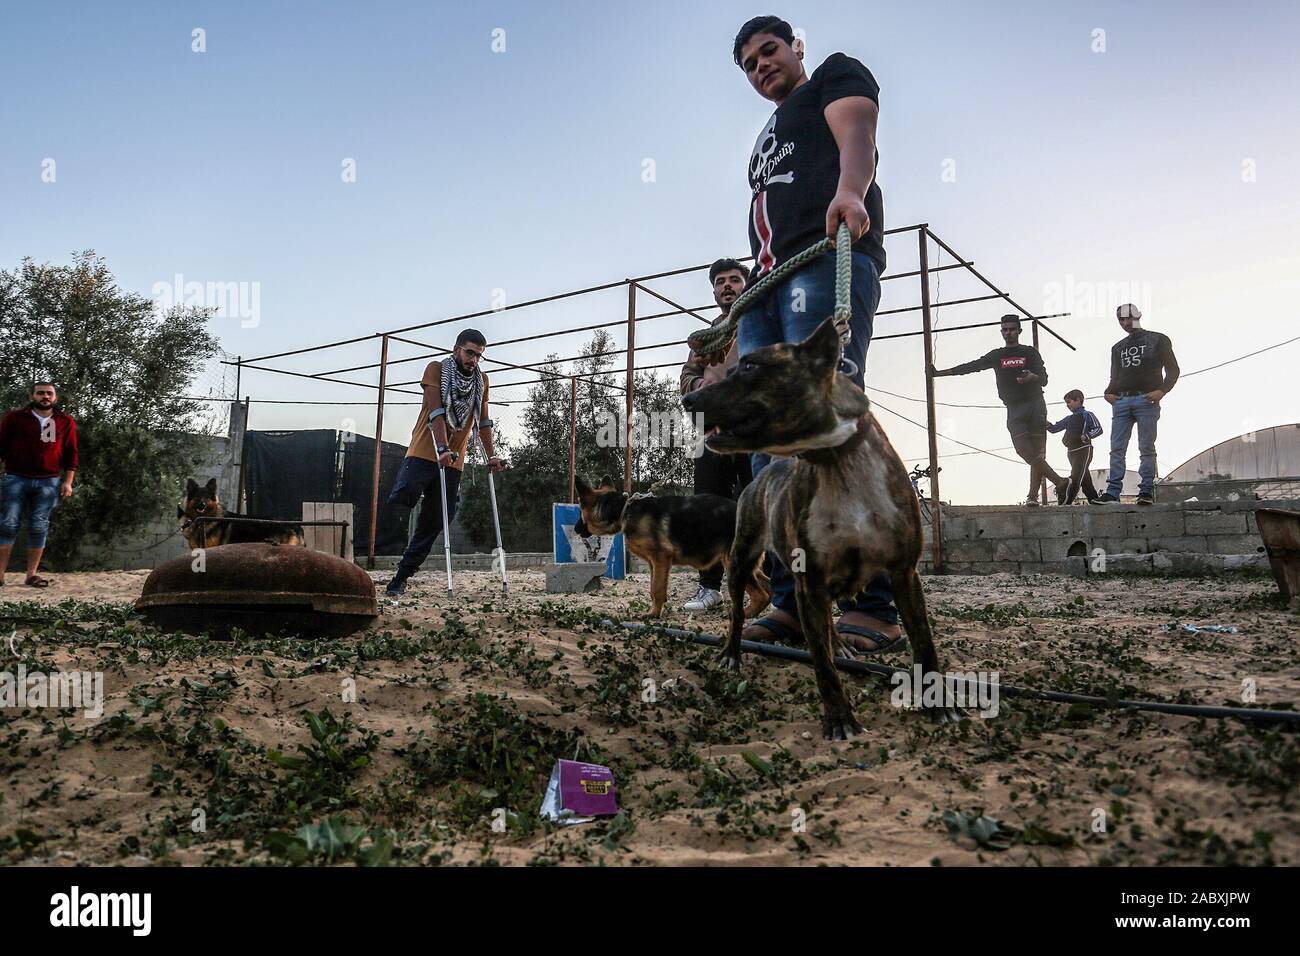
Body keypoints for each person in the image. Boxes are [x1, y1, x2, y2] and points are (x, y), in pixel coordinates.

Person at [729, 15, 902, 653]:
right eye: (748, 64)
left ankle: (873, 603)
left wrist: (852, 191)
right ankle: (793, 601)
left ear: (795, 48)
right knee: (767, 442)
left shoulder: (832, 74)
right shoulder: (767, 134)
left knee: (829, 420)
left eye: (768, 51)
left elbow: (859, 130)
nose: (760, 66)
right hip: (767, 289)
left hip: (825, 259)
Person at [384, 330, 505, 596]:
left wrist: (491, 454)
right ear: (457, 349)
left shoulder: (481, 381)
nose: (474, 360)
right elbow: (437, 410)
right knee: (403, 496)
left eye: (479, 355)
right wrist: (441, 446)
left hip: (453, 461)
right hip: (424, 451)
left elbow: (482, 420)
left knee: (438, 518)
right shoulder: (436, 369)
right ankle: (377, 547)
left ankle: (401, 576)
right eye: (470, 352)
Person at [678, 258, 755, 612]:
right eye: (720, 281)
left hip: (753, 430)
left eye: (734, 280)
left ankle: (775, 590)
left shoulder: (758, 318)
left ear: (745, 285)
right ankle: (709, 589)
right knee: (707, 508)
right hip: (712, 432)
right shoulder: (708, 333)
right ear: (713, 291)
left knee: (759, 508)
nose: (727, 285)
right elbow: (686, 378)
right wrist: (701, 383)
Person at [931, 314, 1069, 506]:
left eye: (1012, 329)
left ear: (1019, 331)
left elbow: (1044, 378)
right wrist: (939, 373)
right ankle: (1060, 482)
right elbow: (973, 366)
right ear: (1001, 332)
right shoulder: (997, 355)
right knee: (1024, 450)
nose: (1008, 333)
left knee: (1038, 454)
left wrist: (1032, 377)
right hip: (1013, 408)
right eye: (1005, 329)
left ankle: (1032, 496)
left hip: (1035, 404)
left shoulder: (1030, 353)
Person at [1094, 304, 1179, 506]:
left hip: (1146, 399)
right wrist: (1109, 392)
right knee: (1117, 448)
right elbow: (1115, 376)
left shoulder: (1158, 339)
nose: (1125, 323)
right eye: (1121, 320)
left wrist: (1162, 391)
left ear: (1138, 316)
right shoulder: (1117, 347)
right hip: (1121, 401)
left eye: (1129, 318)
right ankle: (1113, 493)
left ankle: (1146, 491)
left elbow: (1173, 369)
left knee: (1146, 447)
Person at [0, 382, 78, 588]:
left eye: (49, 393)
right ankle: (0, 574)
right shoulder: (15, 418)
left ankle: (31, 575)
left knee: (39, 525)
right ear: (32, 395)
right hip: (16, 477)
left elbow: (71, 453)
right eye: (41, 393)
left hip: (49, 481)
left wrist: (68, 482)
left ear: (55, 398)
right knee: (8, 524)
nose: (45, 396)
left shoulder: (64, 421)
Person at [1047, 389, 1102, 504]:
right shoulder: (1069, 418)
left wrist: (1086, 436)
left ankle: (1066, 501)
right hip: (1071, 451)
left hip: (1083, 449)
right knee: (1084, 476)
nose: (1068, 405)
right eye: (1066, 403)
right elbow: (1054, 428)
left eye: (1069, 402)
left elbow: (1098, 429)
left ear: (1078, 400)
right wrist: (1044, 423)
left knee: (1076, 476)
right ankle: (1094, 499)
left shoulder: (1087, 415)